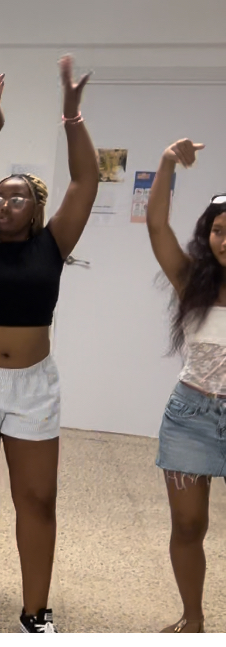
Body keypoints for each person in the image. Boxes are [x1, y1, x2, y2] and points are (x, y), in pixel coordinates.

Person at [0, 58, 98, 633]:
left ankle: (36, 612)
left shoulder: (54, 242)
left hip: (32, 385)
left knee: (37, 500)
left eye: (17, 198)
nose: (2, 204)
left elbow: (85, 181)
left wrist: (73, 117)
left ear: (36, 208)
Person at [145, 137, 221, 634]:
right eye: (219, 230)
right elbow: (156, 225)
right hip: (190, 417)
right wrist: (167, 163)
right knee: (189, 525)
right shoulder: (191, 279)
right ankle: (192, 620)